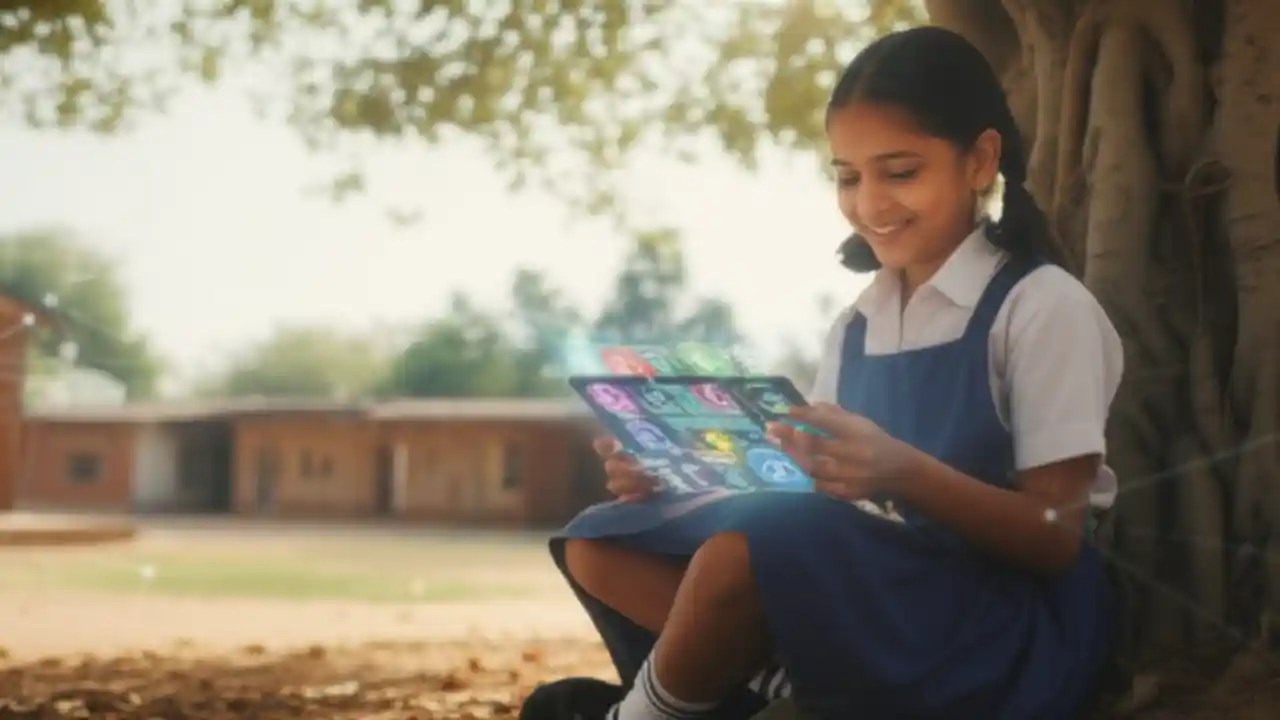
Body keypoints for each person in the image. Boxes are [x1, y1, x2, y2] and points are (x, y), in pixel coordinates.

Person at [519, 25, 1124, 720]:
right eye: (847, 176)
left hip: (996, 630)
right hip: (877, 596)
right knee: (602, 542)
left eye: (900, 173)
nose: (870, 204)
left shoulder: (1042, 307)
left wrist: (903, 471)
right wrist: (681, 473)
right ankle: (769, 690)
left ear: (981, 160)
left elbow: (1054, 538)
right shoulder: (858, 326)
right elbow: (822, 501)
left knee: (748, 550)